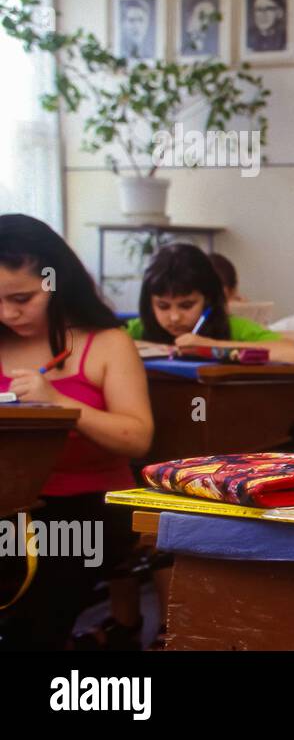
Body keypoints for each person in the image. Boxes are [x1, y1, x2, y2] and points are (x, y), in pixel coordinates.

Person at [0, 214, 153, 650]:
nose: (8, 314)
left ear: (55, 278)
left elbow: (137, 437)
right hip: (12, 504)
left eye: (22, 298)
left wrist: (63, 404)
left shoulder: (105, 343)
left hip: (91, 504)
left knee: (37, 580)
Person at [126, 243, 294, 364]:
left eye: (187, 305)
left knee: (198, 418)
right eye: (163, 306)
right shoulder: (137, 329)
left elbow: (293, 354)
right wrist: (159, 349)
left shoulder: (234, 327)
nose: (174, 317)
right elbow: (99, 347)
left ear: (208, 299)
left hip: (207, 409)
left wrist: (211, 346)